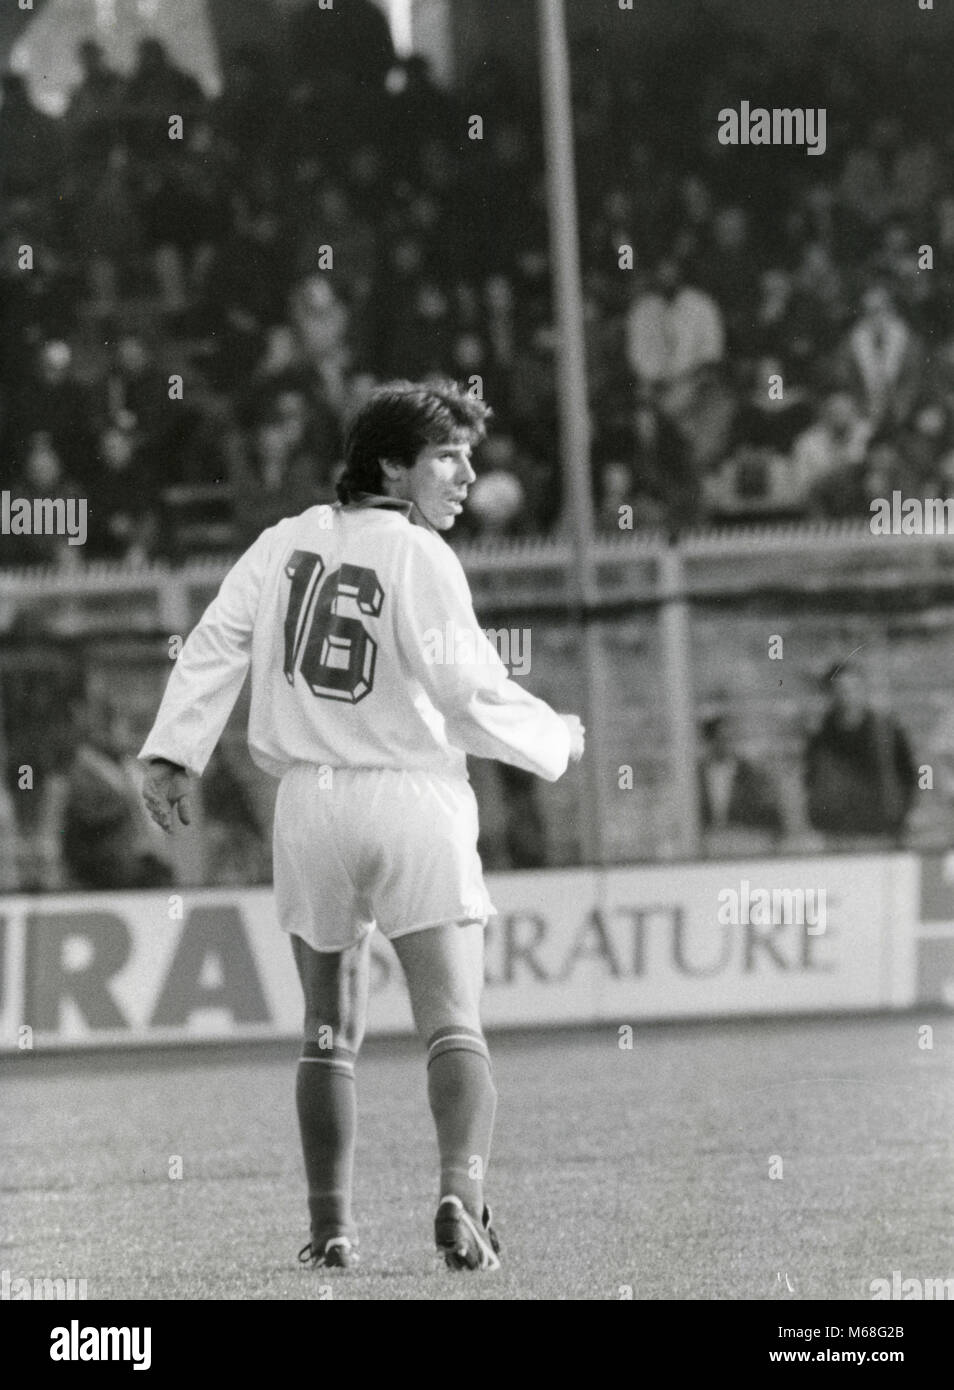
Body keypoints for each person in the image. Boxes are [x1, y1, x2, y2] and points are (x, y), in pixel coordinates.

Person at [138, 381, 585, 1272]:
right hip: (409, 793)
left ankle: (331, 1229)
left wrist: (171, 751)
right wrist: (555, 739)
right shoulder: (420, 556)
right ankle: (460, 1194)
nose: (466, 476)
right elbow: (466, 691)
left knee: (326, 1029)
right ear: (392, 467)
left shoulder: (284, 539)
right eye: (446, 458)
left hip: (308, 802)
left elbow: (217, 640)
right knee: (453, 1022)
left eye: (467, 457)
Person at [804, 663, 916, 842]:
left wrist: (902, 817)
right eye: (841, 689)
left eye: (854, 688)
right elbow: (811, 781)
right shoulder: (821, 736)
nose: (848, 695)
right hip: (836, 832)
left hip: (881, 829)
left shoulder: (886, 731)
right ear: (831, 693)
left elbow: (907, 776)